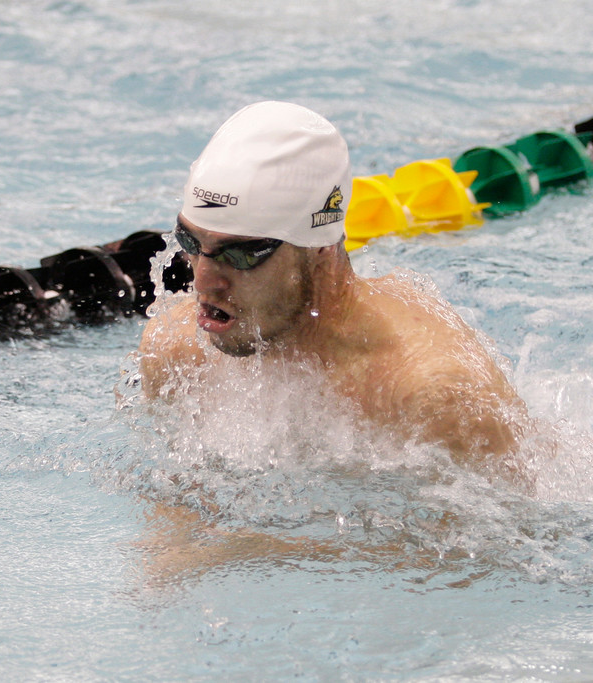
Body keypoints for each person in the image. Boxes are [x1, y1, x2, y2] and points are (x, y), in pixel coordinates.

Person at [137, 101, 528, 479]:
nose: (203, 281)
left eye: (241, 254)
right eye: (190, 242)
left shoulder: (431, 395)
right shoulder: (176, 352)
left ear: (319, 246)